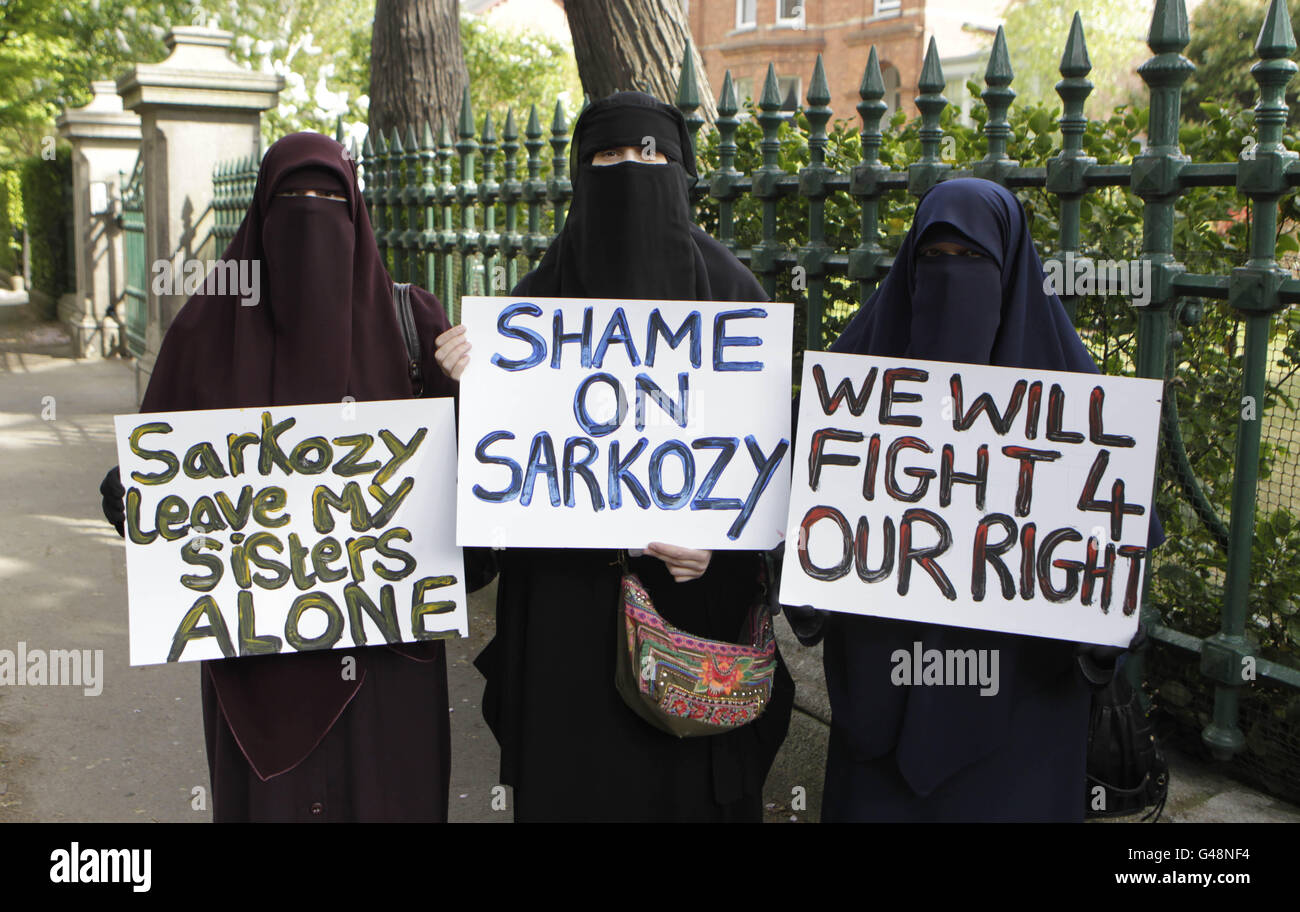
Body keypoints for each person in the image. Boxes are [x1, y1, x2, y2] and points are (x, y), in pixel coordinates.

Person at [434, 92, 794, 822]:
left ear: (681, 172)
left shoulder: (736, 303)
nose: (632, 170)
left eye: (651, 155)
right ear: (580, 175)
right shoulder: (531, 311)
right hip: (564, 623)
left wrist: (719, 555)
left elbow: (775, 483)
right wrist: (461, 386)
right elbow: (491, 483)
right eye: (608, 157)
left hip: (697, 623)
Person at [98, 132, 460, 822]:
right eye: (293, 201)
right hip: (256, 660)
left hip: (387, 655)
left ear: (356, 215)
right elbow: (162, 483)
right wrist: (132, 495)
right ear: (261, 219)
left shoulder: (411, 324)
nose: (311, 217)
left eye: (329, 202)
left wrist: (475, 381)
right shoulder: (208, 330)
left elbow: (479, 478)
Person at [791, 177, 1161, 822]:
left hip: (1025, 697)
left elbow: (1120, 541)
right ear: (910, 268)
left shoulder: (1076, 402)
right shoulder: (855, 381)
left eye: (973, 262)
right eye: (934, 260)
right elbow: (804, 515)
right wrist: (806, 587)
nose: (951, 279)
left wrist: (1104, 623)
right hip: (883, 683)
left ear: (1011, 272)